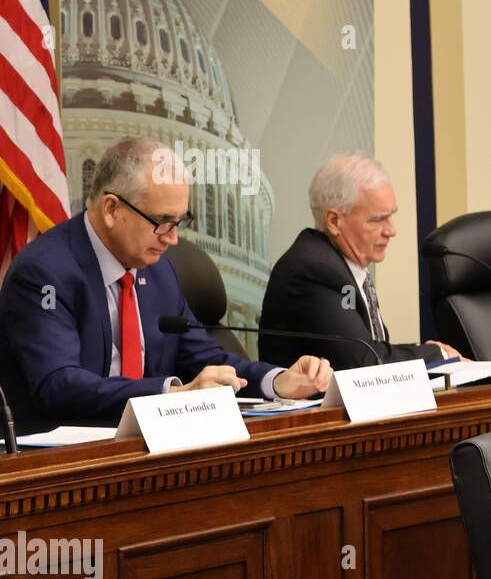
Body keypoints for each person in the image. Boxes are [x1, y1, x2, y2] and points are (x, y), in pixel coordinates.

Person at [0, 137, 332, 433]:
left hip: (147, 451)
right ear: (112, 208)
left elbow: (206, 360)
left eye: (180, 222)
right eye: (162, 222)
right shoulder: (45, 273)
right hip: (55, 467)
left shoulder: (160, 274)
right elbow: (59, 386)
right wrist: (172, 395)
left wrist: (277, 381)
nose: (173, 239)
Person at [259, 152, 459, 370]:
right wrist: (439, 354)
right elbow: (364, 362)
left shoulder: (341, 265)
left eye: (391, 215)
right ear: (334, 221)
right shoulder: (314, 271)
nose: (392, 230)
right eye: (378, 219)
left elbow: (372, 352)